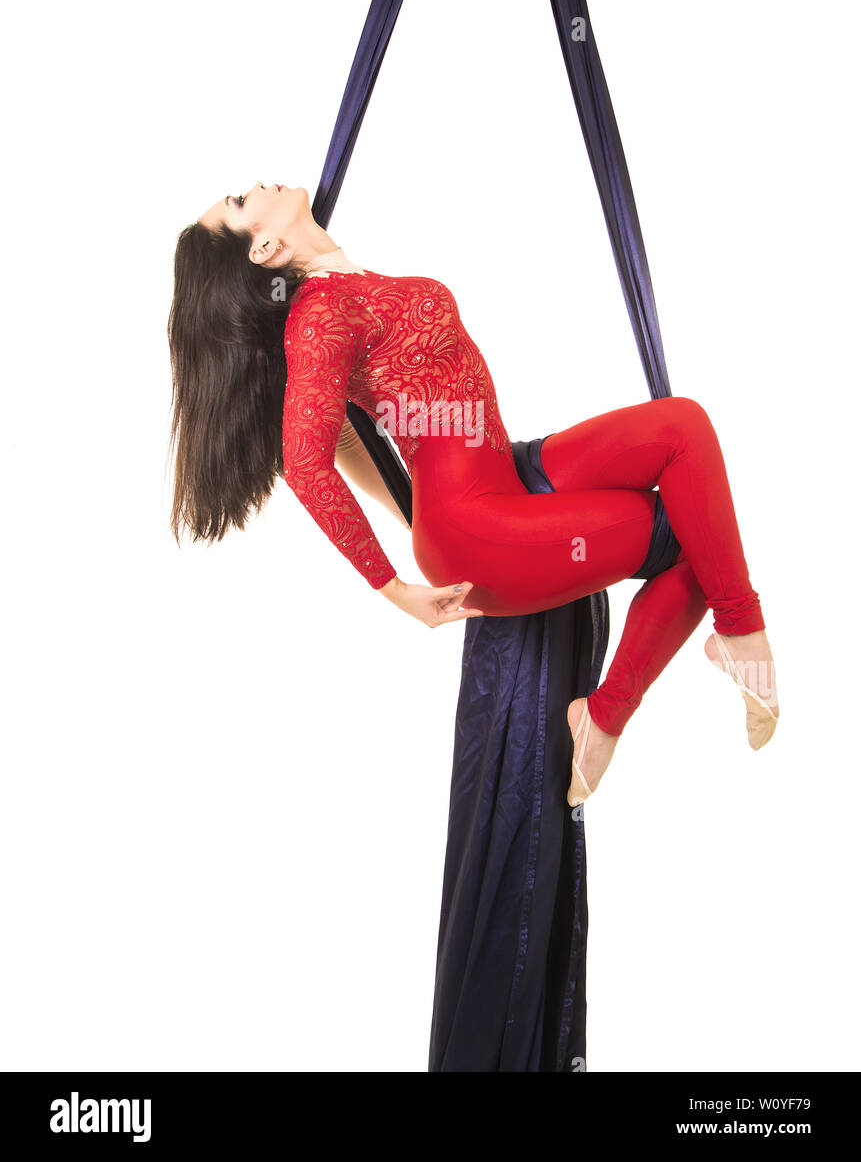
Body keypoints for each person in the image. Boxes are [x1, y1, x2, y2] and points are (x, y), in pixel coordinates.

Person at [168, 181, 778, 806]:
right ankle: (703, 656)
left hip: (500, 478)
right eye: (238, 203)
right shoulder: (318, 314)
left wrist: (409, 516)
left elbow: (348, 441)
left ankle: (675, 671)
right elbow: (305, 461)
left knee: (682, 428)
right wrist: (395, 587)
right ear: (265, 247)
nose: (253, 186)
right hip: (475, 524)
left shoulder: (344, 287)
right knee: (693, 538)